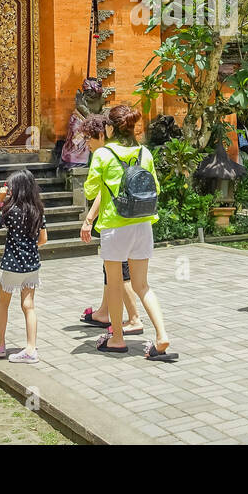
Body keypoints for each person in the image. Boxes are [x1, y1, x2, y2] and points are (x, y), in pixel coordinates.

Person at [81, 105, 175, 360]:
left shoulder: (102, 155)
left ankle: (118, 338)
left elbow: (90, 192)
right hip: (143, 223)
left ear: (110, 128)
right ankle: (162, 335)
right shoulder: (145, 153)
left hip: (114, 226)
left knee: (114, 283)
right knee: (142, 285)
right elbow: (154, 186)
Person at [76, 114, 143, 334]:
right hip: (119, 222)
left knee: (120, 273)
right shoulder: (112, 154)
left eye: (89, 137)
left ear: (103, 134)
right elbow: (105, 193)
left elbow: (97, 192)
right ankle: (105, 311)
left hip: (119, 223)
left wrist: (89, 219)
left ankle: (134, 318)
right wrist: (90, 219)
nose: (87, 143)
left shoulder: (109, 155)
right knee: (111, 271)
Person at [0, 170, 47, 364]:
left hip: (12, 265)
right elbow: (43, 239)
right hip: (32, 265)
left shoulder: (10, 211)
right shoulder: (38, 210)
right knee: (29, 306)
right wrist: (28, 246)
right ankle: (31, 348)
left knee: (3, 303)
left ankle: (0, 344)